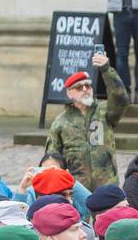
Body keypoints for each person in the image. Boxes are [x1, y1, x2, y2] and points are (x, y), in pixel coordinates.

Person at [43, 52, 129, 191]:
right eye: (79, 87)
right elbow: (52, 160)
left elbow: (121, 98)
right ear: (70, 93)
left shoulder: (104, 111)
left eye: (87, 86)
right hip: (76, 189)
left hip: (107, 185)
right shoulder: (60, 123)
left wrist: (106, 69)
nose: (84, 89)